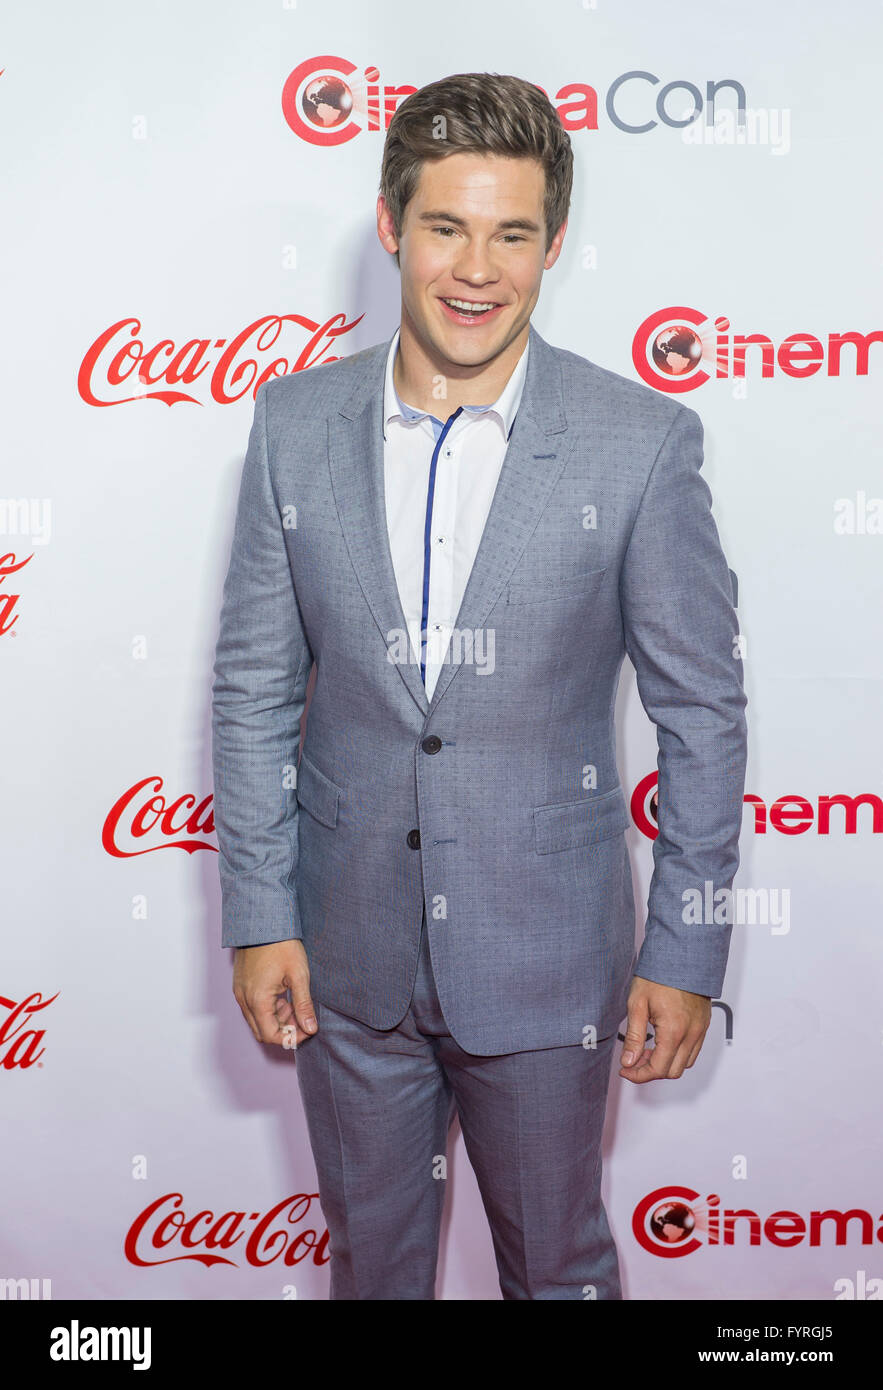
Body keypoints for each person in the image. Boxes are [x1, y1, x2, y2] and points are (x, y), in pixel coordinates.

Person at [211, 71, 748, 1301]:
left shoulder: (641, 441)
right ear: (392, 223)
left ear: (554, 242)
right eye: (446, 225)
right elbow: (252, 689)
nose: (476, 267)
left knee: (556, 1273)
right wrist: (258, 913)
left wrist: (686, 948)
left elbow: (701, 715)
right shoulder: (293, 423)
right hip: (344, 959)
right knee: (372, 1274)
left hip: (551, 964)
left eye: (512, 233)